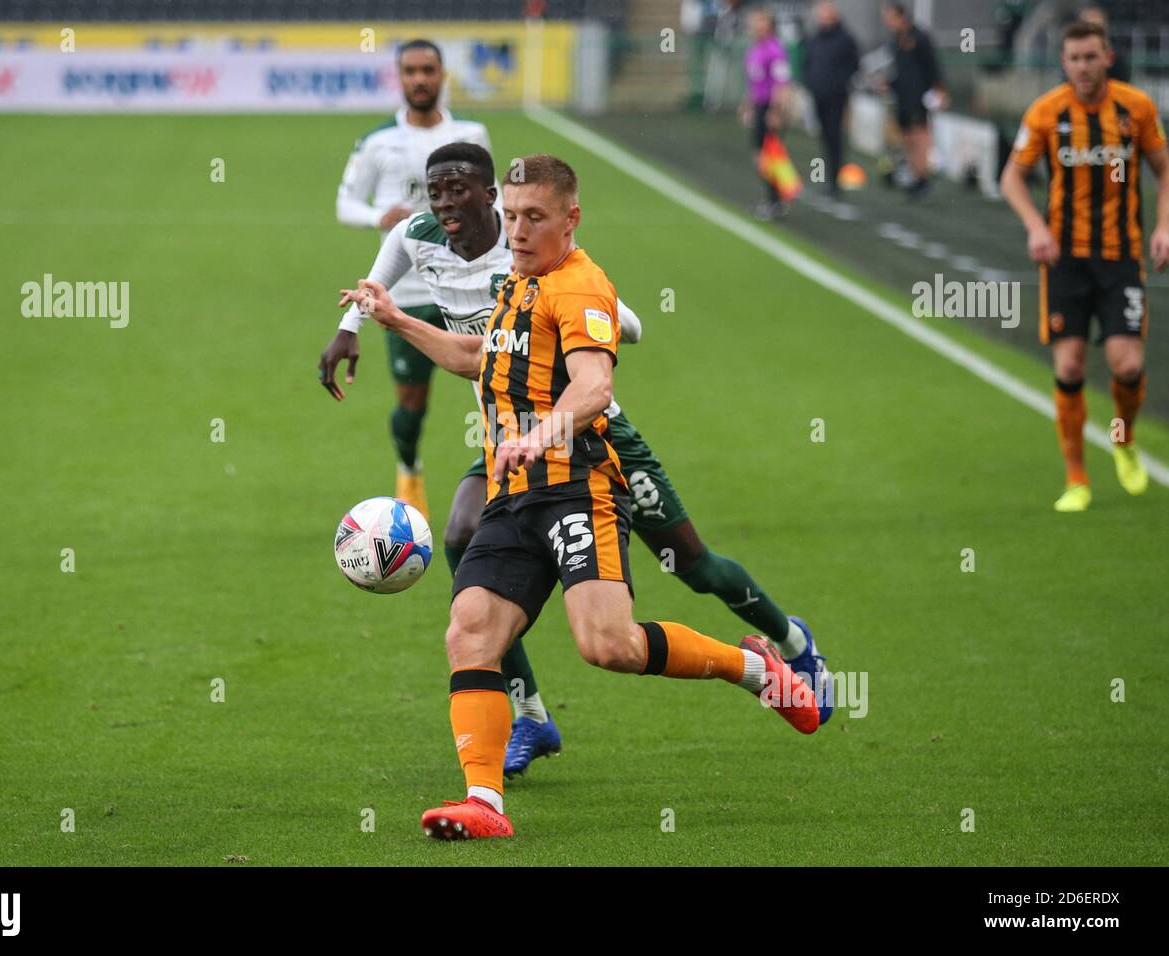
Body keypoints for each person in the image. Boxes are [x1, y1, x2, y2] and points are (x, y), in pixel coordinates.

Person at [344, 155, 824, 840]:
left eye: (534, 218)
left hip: (578, 487)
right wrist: (395, 318)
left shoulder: (580, 287)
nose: (516, 231)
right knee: (470, 632)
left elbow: (594, 386)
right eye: (512, 217)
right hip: (513, 492)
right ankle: (483, 802)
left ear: (570, 219)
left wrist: (538, 438)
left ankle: (753, 668)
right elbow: (479, 357)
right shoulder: (517, 281)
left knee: (609, 646)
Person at [999, 19, 1169, 512]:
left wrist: (1163, 227)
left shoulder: (1135, 108)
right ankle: (1077, 478)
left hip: (1120, 258)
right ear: (1063, 62)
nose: (1082, 67)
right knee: (1071, 366)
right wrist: (1035, 226)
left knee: (1128, 364)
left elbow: (1162, 167)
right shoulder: (1047, 112)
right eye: (1073, 58)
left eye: (1091, 57)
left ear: (1107, 57)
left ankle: (1123, 438)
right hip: (1065, 261)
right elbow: (1012, 178)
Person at [324, 39, 491, 520]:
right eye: (411, 71)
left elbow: (491, 201)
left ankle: (500, 479)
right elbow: (344, 203)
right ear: (400, 78)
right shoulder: (378, 140)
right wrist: (383, 216)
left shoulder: (471, 132)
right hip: (409, 293)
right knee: (412, 401)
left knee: (493, 387)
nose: (420, 79)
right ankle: (409, 466)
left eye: (429, 70)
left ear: (442, 76)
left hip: (469, 287)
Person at [880, 2, 947, 200]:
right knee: (908, 139)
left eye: (890, 18)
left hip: (918, 98)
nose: (888, 23)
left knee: (920, 138)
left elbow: (932, 66)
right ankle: (915, 176)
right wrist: (888, 84)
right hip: (903, 98)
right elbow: (899, 72)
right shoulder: (895, 41)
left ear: (901, 17)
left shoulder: (920, 37)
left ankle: (923, 180)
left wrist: (939, 90)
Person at [802, 1, 859, 196]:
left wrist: (838, 83)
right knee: (824, 136)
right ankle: (827, 178)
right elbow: (807, 62)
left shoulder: (845, 39)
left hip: (836, 97)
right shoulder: (815, 38)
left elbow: (854, 65)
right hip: (818, 95)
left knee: (834, 137)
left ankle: (835, 180)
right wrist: (809, 82)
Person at [741, 8, 793, 219]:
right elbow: (754, 83)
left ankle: (776, 200)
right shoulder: (754, 50)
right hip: (760, 105)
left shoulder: (775, 50)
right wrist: (747, 106)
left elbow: (782, 84)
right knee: (762, 155)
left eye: (761, 22)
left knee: (769, 155)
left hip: (770, 107)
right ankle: (774, 197)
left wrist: (776, 110)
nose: (756, 27)